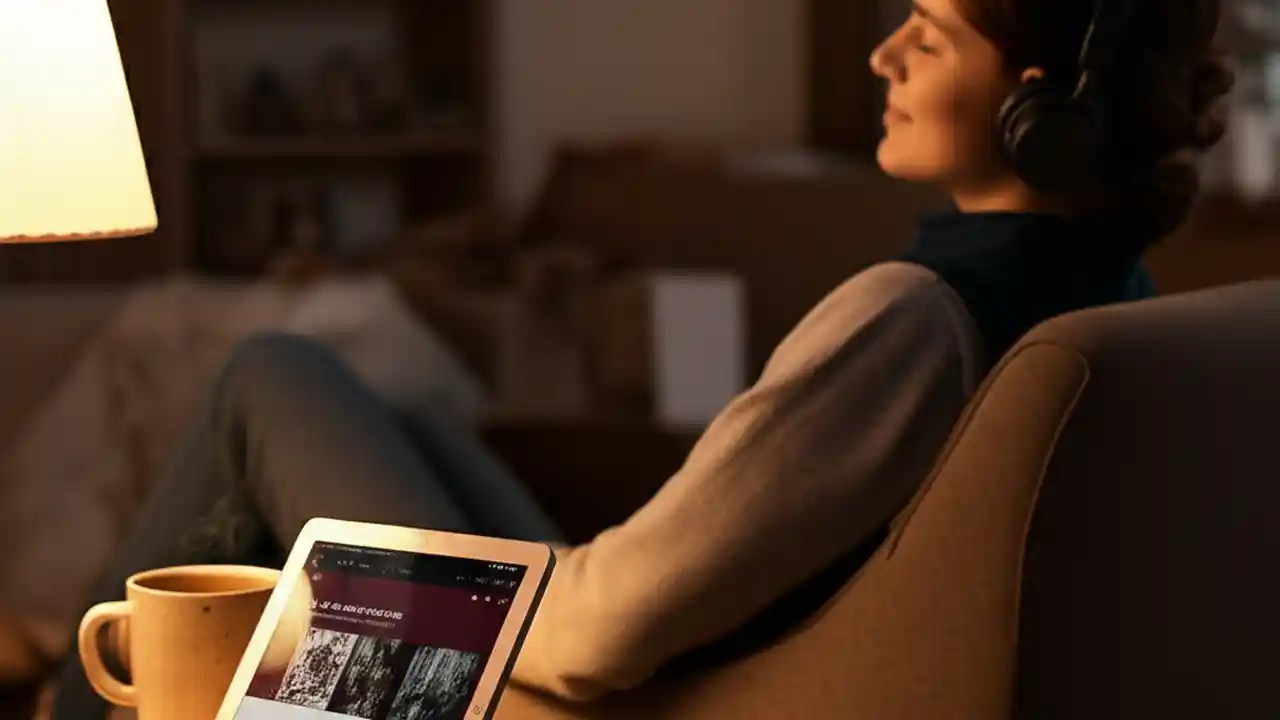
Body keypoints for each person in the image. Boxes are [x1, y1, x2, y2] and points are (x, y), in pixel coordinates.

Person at [51, 0, 1233, 714]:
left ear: (1039, 107)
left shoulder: (912, 320)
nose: (881, 58)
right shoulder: (1113, 299)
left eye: (924, 39)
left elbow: (613, 632)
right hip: (703, 658)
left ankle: (78, 708)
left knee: (274, 378)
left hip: (632, 698)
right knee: (405, 422)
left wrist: (504, 599)